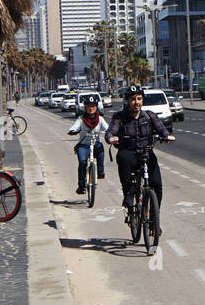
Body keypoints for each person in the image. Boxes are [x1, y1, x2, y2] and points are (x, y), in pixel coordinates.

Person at [106, 84, 173, 231]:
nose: (136, 102)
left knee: (157, 185)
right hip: (128, 152)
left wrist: (166, 136)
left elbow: (161, 128)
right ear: (127, 101)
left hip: (146, 153)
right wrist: (111, 137)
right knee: (123, 159)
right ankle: (129, 197)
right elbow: (111, 131)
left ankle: (154, 220)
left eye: (139, 99)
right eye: (133, 99)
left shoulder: (149, 116)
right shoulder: (119, 117)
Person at [67, 96, 109, 194]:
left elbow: (108, 128)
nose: (91, 108)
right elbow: (75, 126)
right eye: (89, 106)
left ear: (96, 107)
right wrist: (73, 130)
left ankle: (100, 171)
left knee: (100, 148)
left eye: (93, 106)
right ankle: (81, 186)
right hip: (84, 145)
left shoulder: (100, 119)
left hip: (95, 144)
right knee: (82, 163)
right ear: (85, 107)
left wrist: (110, 133)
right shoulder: (81, 119)